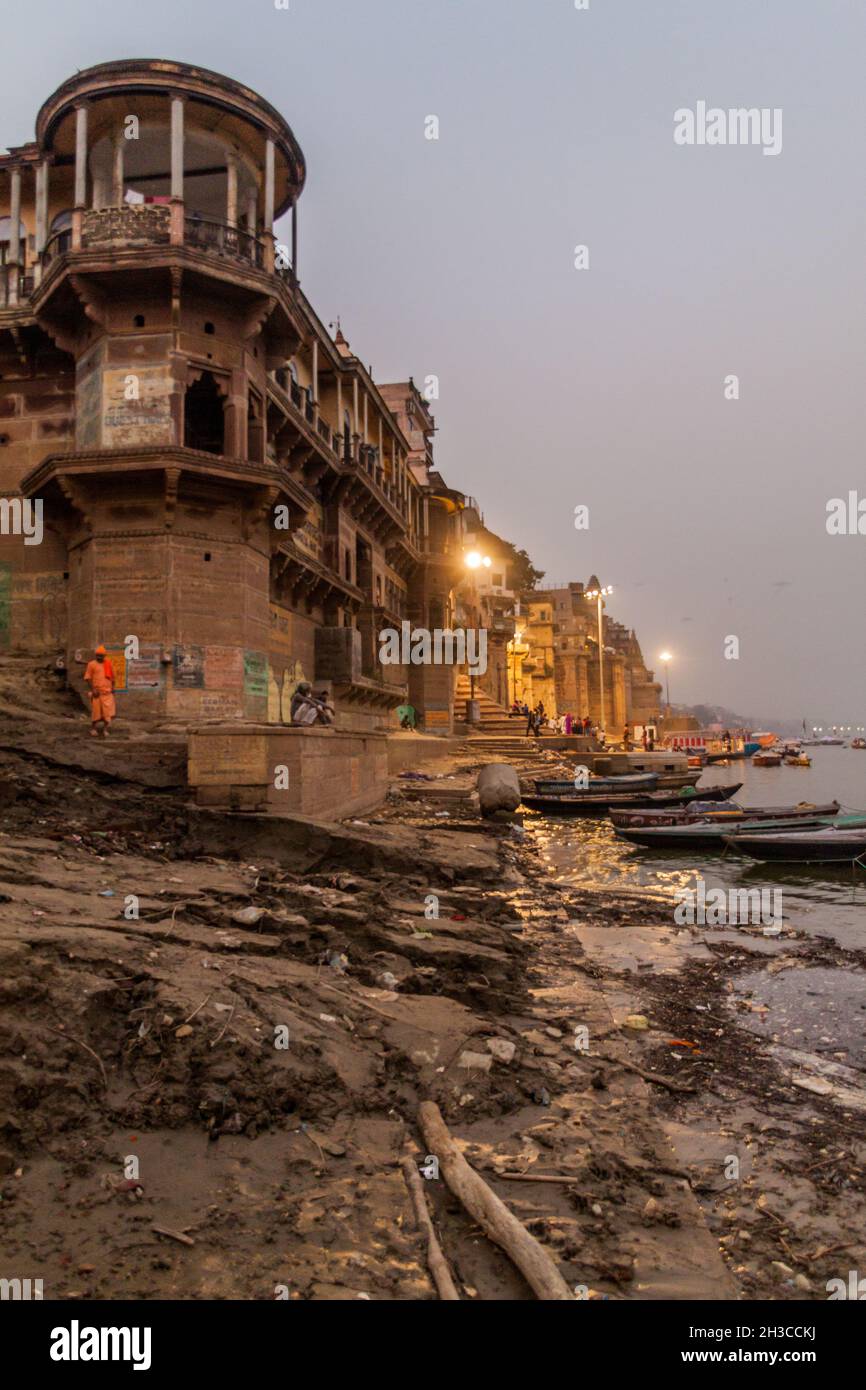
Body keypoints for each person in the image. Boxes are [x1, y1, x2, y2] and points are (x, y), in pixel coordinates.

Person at [83, 645, 116, 737]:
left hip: (107, 693)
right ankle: (93, 729)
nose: (99, 657)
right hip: (97, 693)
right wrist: (93, 689)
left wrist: (113, 687)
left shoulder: (108, 663)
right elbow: (88, 678)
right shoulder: (91, 664)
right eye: (98, 655)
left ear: (104, 656)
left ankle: (105, 730)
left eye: (101, 655)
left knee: (107, 714)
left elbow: (113, 677)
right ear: (95, 655)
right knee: (96, 713)